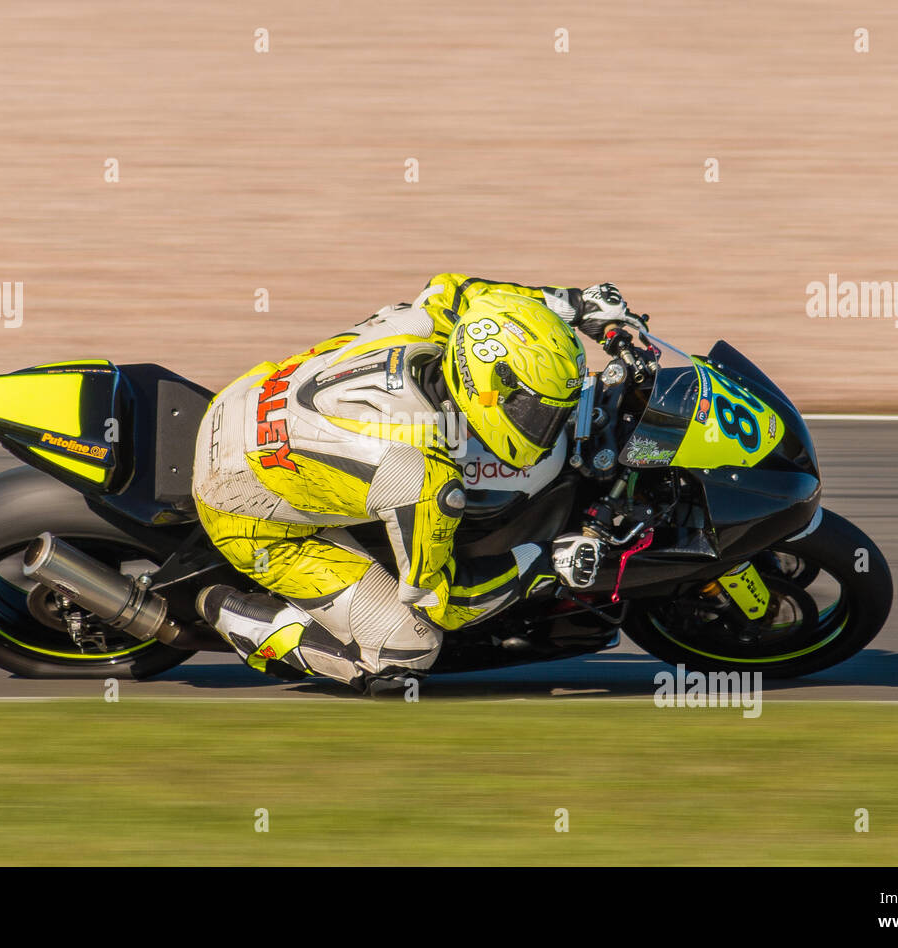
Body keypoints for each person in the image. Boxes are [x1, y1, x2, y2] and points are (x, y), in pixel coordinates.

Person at [193, 274, 635, 693]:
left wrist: (574, 303)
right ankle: (240, 618)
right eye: (541, 413)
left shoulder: (423, 327)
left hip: (241, 397)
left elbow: (454, 290)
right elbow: (444, 601)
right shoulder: (421, 477)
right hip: (237, 506)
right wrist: (544, 563)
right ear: (492, 391)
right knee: (407, 649)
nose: (552, 425)